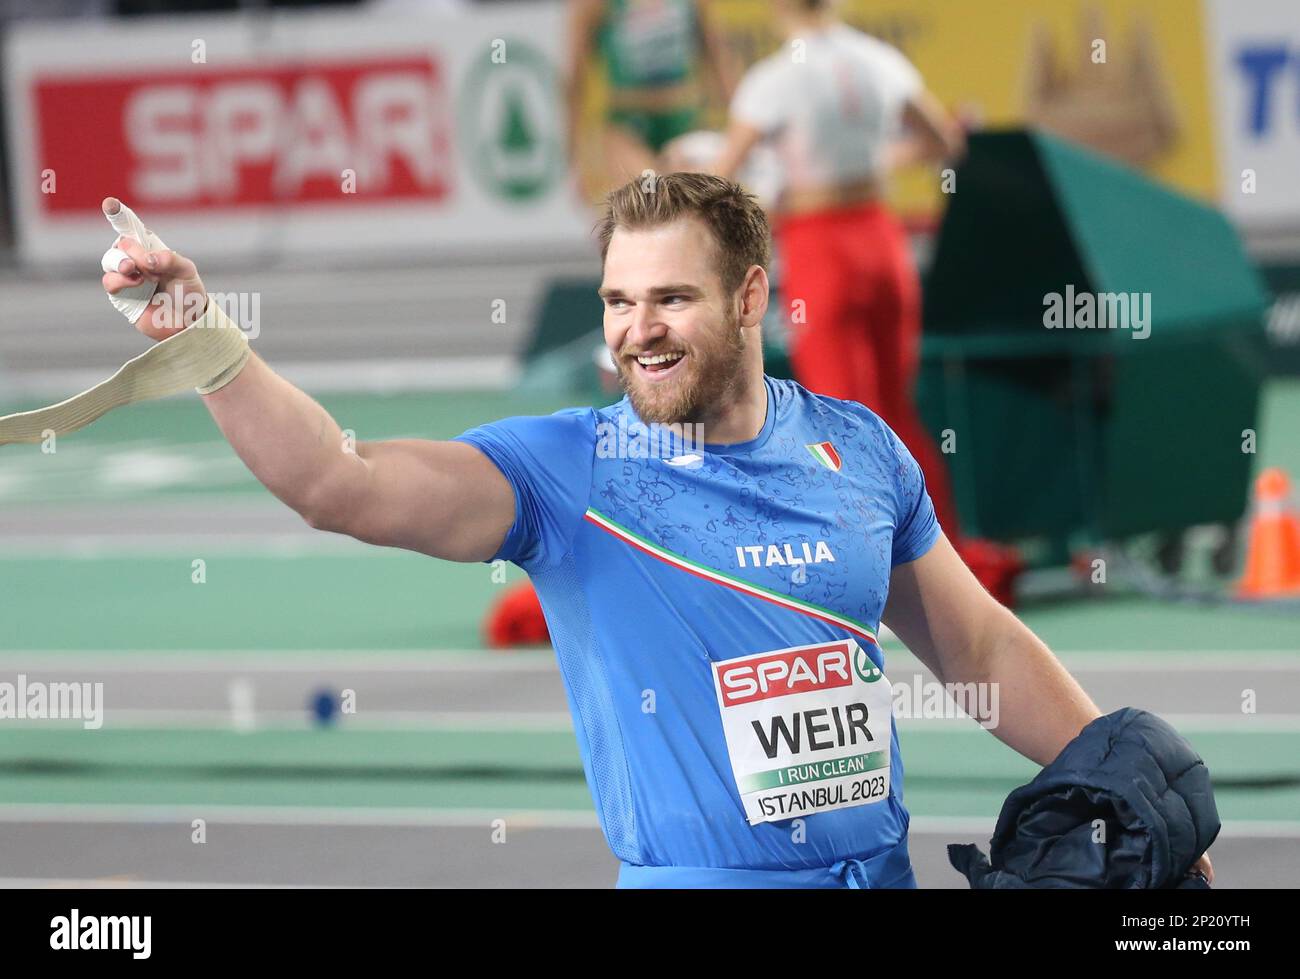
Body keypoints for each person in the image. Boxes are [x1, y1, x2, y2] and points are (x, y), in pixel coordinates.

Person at [97, 173, 1210, 887]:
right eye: (618, 303)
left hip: (879, 876)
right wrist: (204, 338)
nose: (639, 331)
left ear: (748, 297)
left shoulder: (858, 449)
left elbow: (978, 651)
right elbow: (339, 482)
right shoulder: (568, 471)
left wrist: (1119, 784)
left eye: (669, 298)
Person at [710, 0, 967, 543]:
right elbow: (945, 143)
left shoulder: (773, 79)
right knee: (895, 404)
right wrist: (870, 160)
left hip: (819, 244)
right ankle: (944, 559)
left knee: (837, 416)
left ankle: (866, 566)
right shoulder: (879, 59)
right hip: (882, 239)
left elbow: (720, 185)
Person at [564, 0, 739, 191]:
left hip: (683, 120)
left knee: (686, 208)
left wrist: (739, 131)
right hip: (628, 125)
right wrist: (573, 159)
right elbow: (575, 81)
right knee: (649, 195)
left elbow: (718, 58)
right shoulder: (593, 4)